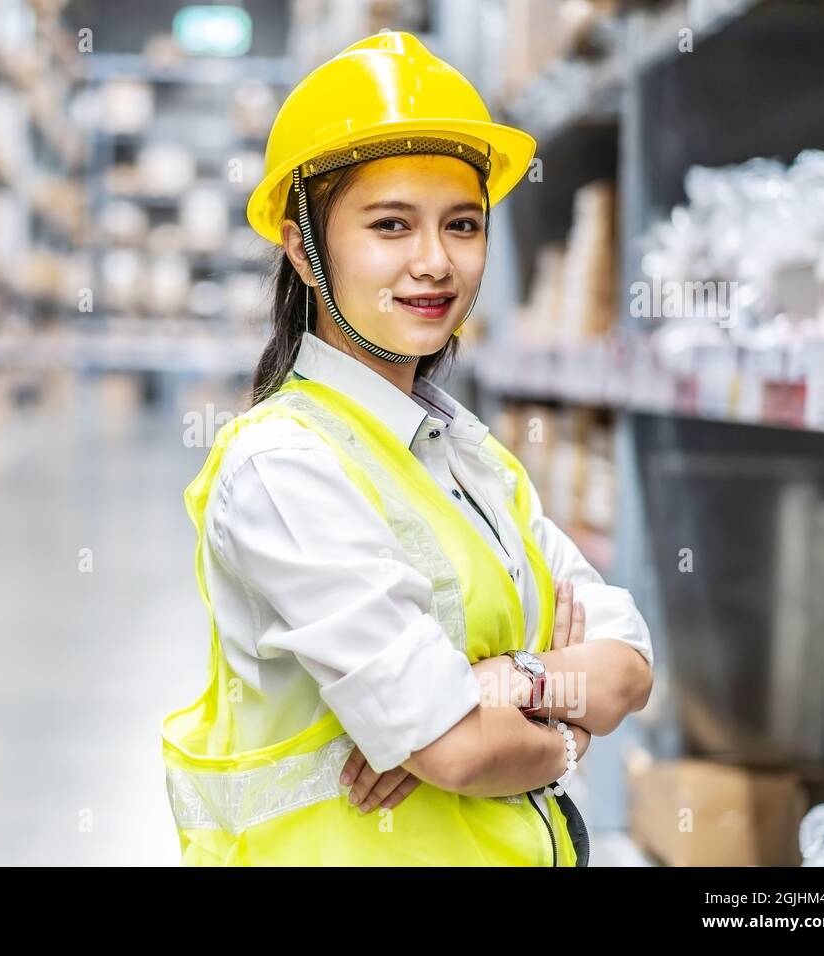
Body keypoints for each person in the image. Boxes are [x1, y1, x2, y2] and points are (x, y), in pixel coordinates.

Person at [160, 30, 654, 866]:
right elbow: (456, 748)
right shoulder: (282, 466)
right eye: (391, 225)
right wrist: (563, 729)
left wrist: (518, 682)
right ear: (303, 251)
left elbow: (631, 668)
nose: (435, 263)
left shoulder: (471, 454)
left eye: (462, 225)